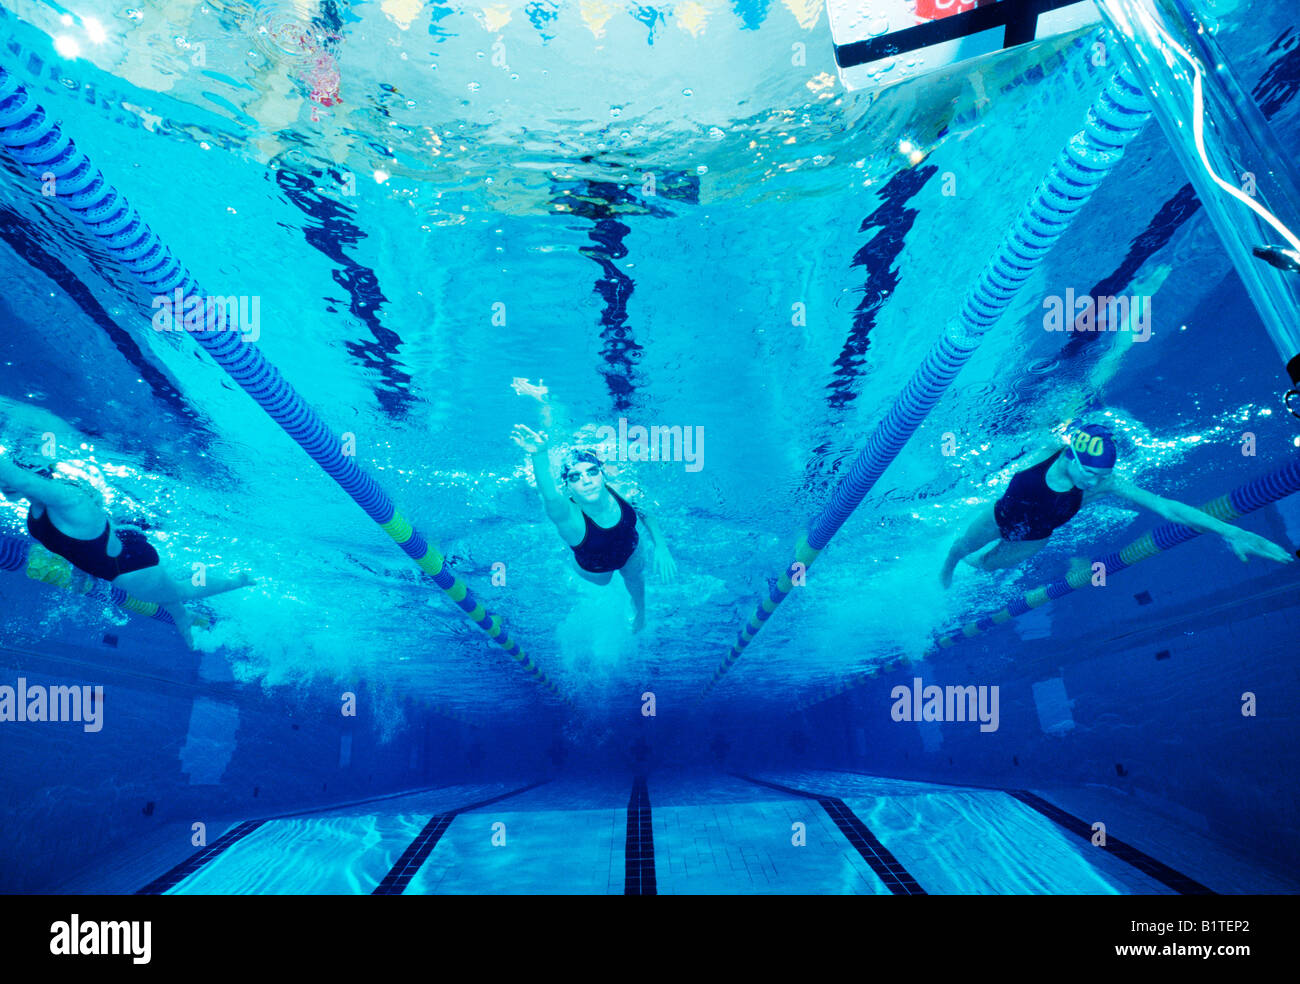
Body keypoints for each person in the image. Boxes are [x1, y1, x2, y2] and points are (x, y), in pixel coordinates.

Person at [940, 422, 1293, 587]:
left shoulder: (1104, 483)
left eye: (1103, 475)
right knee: (959, 549)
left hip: (1036, 536)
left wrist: (1230, 530)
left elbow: (1167, 507)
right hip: (999, 516)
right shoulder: (1047, 449)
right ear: (1069, 455)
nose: (1095, 483)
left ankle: (973, 563)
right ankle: (946, 571)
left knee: (986, 566)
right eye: (1090, 473)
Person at [0, 454, 254, 647]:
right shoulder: (39, 508)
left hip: (128, 567)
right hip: (117, 544)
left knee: (180, 590)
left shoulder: (68, 499)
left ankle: (240, 580)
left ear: (35, 475)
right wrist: (80, 571)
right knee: (165, 596)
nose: (4, 484)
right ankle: (183, 616)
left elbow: (18, 478)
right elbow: (72, 544)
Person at [511, 381, 676, 631]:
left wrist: (661, 546)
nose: (586, 479)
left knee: (634, 577)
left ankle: (640, 612)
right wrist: (538, 454)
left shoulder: (621, 486)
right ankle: (543, 403)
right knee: (605, 581)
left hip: (630, 549)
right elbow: (550, 495)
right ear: (569, 488)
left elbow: (645, 510)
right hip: (594, 568)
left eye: (591, 472)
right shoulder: (568, 515)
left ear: (602, 474)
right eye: (576, 477)